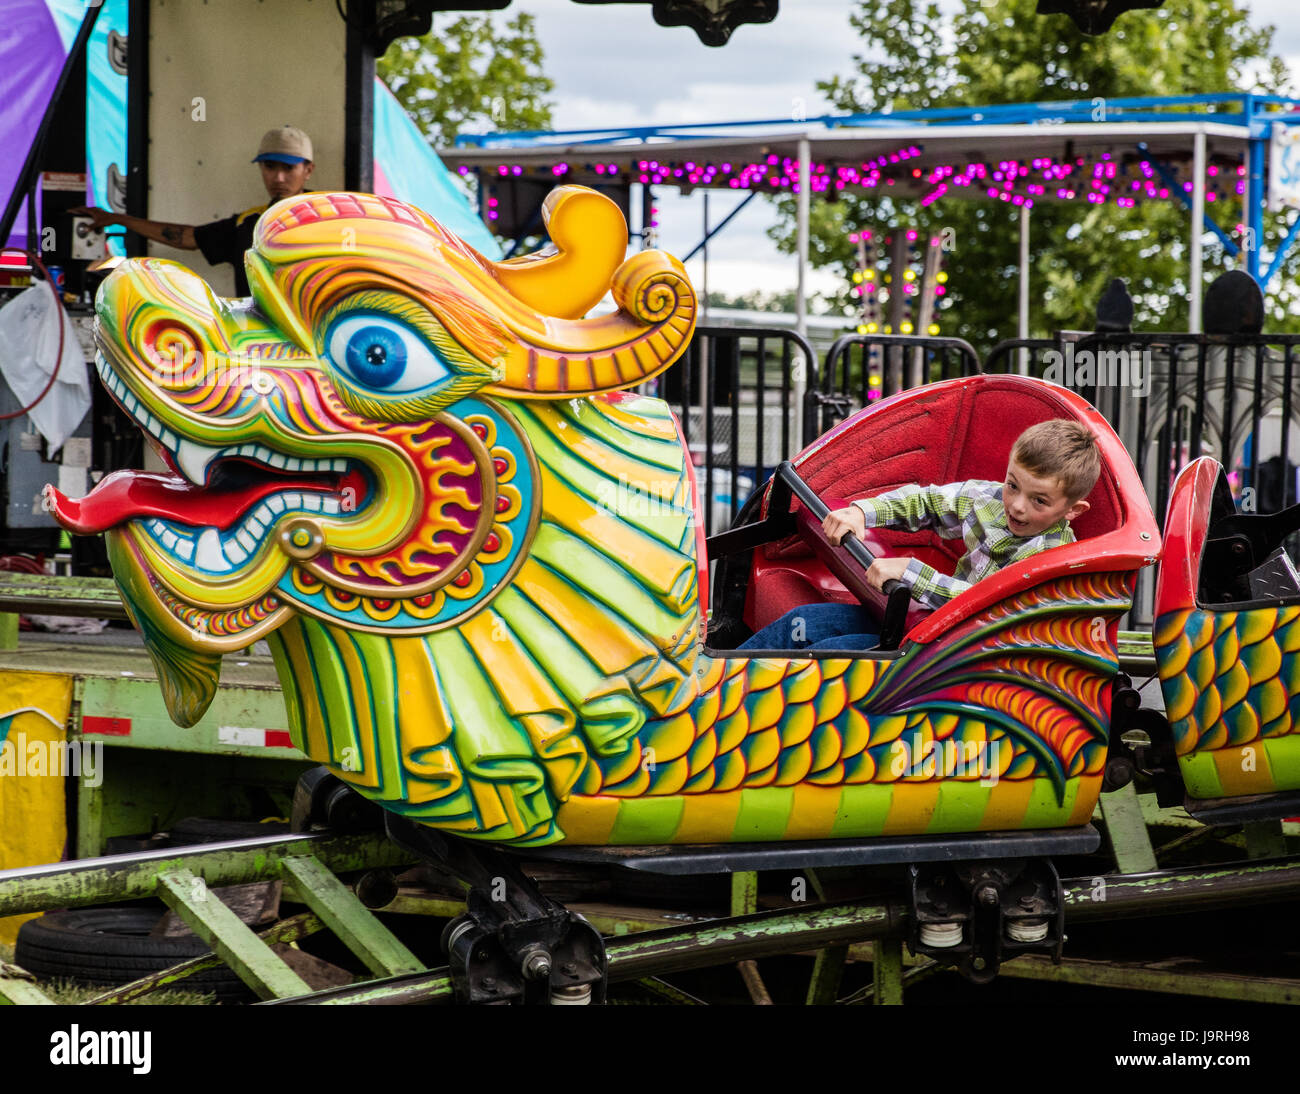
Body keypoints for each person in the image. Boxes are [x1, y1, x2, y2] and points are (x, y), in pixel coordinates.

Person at [739, 418, 1100, 650]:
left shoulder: (1054, 556)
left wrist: (912, 574)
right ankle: (712, 696)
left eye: (1039, 500)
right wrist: (864, 511)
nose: (1018, 506)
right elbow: (924, 502)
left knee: (838, 654)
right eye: (1012, 485)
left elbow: (989, 604)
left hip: (969, 656)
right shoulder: (990, 499)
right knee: (804, 623)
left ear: (1072, 510)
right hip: (926, 626)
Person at [70, 126, 315, 297]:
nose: (278, 177)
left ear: (308, 170)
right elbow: (186, 237)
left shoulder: (331, 218)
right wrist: (116, 218)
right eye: (270, 167)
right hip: (259, 345)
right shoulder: (247, 223)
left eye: (289, 168)